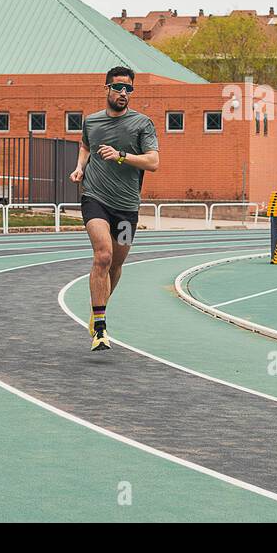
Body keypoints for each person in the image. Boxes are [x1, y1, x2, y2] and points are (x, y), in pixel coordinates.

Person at [69, 66, 159, 351]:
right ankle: (100, 327)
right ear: (106, 88)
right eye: (118, 87)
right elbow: (86, 146)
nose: (123, 93)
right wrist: (79, 168)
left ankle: (97, 310)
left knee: (116, 264)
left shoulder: (142, 124)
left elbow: (153, 162)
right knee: (103, 256)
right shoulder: (92, 122)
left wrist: (122, 156)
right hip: (95, 197)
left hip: (127, 206)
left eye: (129, 89)